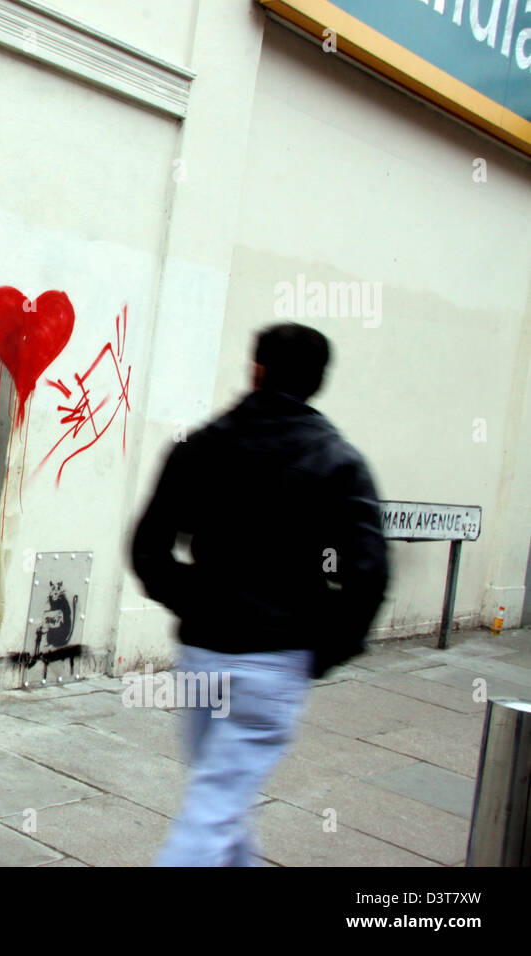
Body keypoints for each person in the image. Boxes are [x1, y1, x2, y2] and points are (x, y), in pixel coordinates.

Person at [130, 322, 388, 866]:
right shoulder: (339, 463)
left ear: (258, 371)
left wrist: (195, 600)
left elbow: (148, 550)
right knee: (216, 804)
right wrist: (326, 649)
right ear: (318, 381)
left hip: (203, 656)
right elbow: (367, 574)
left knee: (219, 797)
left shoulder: (199, 447)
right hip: (275, 661)